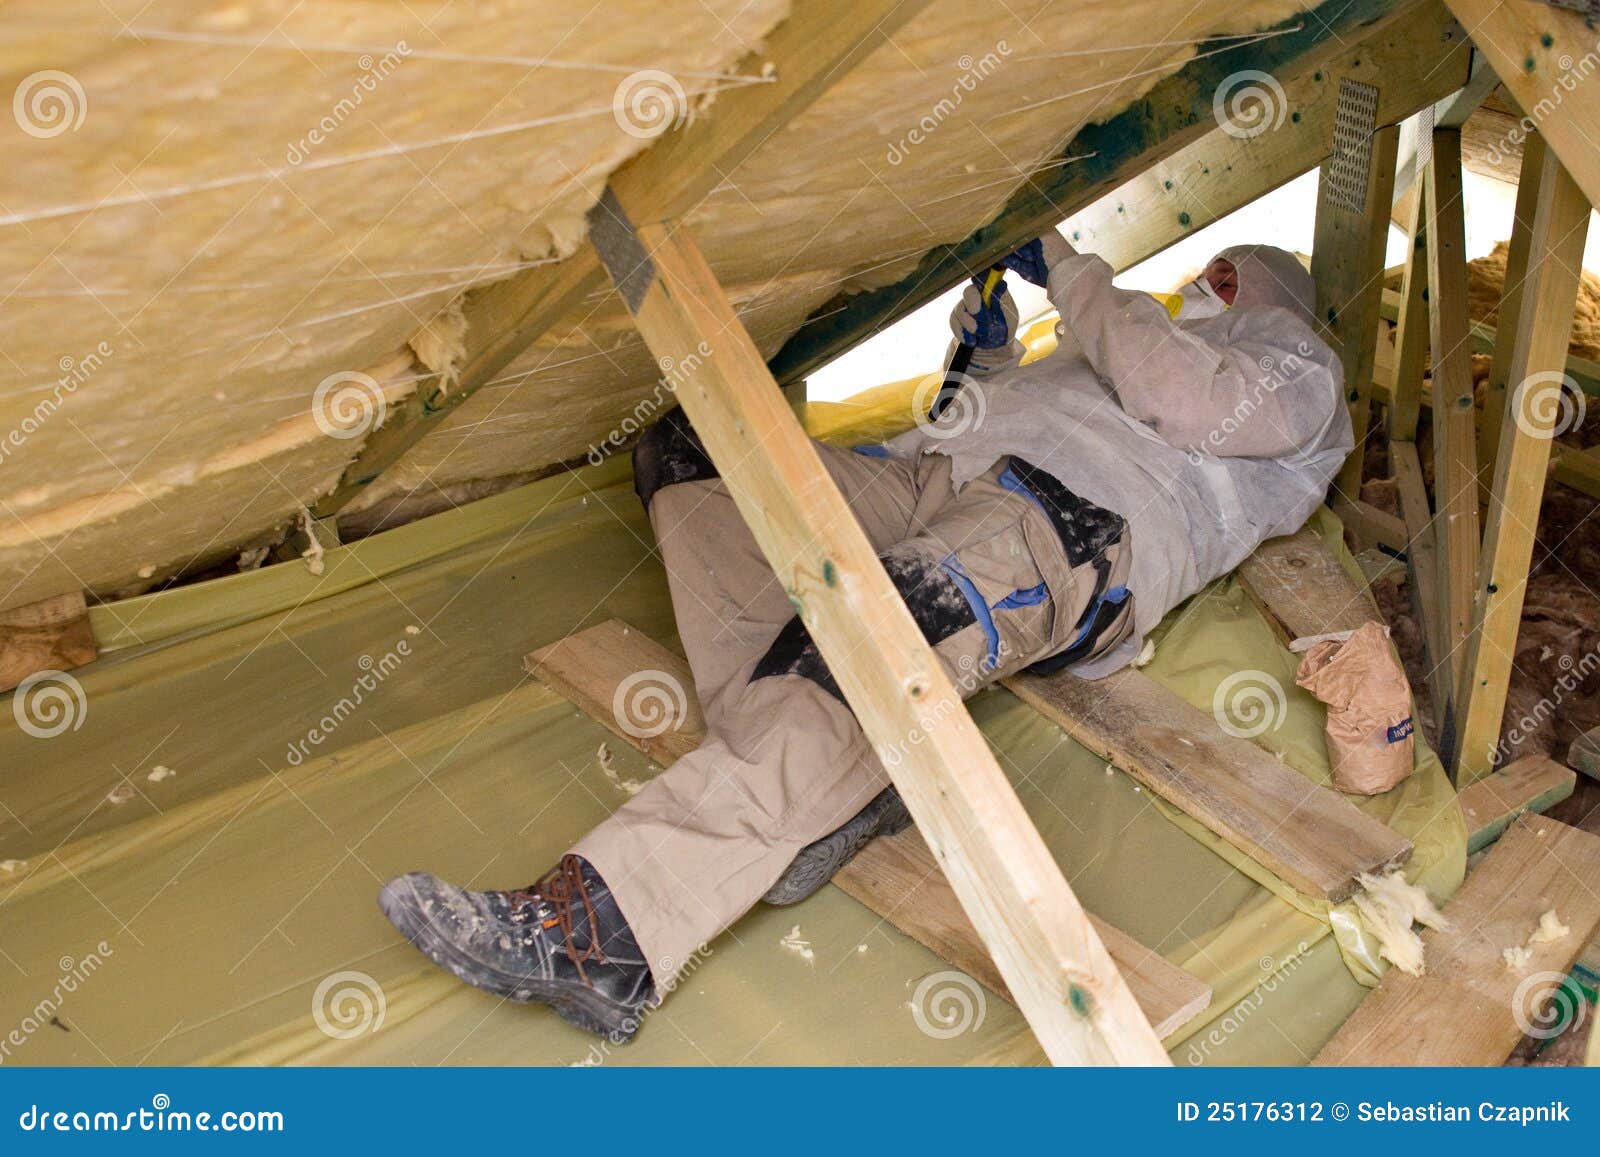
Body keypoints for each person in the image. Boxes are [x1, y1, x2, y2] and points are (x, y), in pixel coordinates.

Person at [377, 230, 1353, 1041]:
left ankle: (604, 932)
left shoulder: (1298, 370)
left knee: (868, 635)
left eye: (1228, 274)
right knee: (695, 448)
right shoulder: (1118, 336)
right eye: (1206, 269)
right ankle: (831, 788)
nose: (1202, 279)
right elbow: (971, 418)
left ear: (1267, 302)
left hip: (1065, 525)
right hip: (938, 479)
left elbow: (1178, 397)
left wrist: (1072, 268)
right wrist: (987, 357)